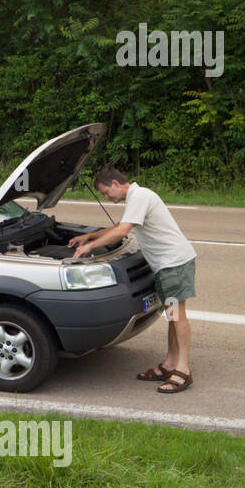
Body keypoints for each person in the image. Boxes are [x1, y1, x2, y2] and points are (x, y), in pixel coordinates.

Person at [68, 167, 197, 394]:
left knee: (178, 316)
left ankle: (183, 370)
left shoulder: (140, 196)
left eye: (106, 192)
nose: (107, 198)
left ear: (116, 184)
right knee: (172, 315)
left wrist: (88, 247)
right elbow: (120, 226)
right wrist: (89, 235)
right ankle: (169, 364)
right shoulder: (136, 198)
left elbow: (122, 231)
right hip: (167, 265)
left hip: (173, 265)